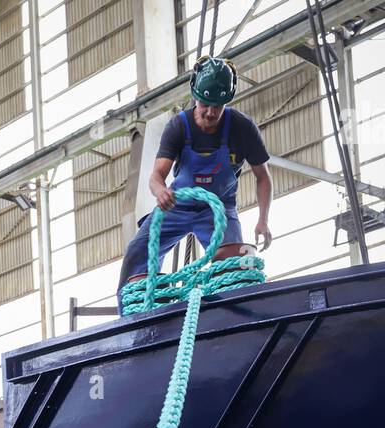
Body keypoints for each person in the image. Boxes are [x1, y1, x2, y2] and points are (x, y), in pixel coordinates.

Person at [117, 55, 273, 311]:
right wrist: (160, 192)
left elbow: (263, 177)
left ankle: (233, 318)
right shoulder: (178, 126)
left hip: (218, 211)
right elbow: (157, 176)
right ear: (195, 96)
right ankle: (131, 318)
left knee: (235, 268)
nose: (211, 112)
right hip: (176, 207)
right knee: (137, 252)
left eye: (218, 106)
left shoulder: (243, 128)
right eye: (205, 104)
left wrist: (263, 219)